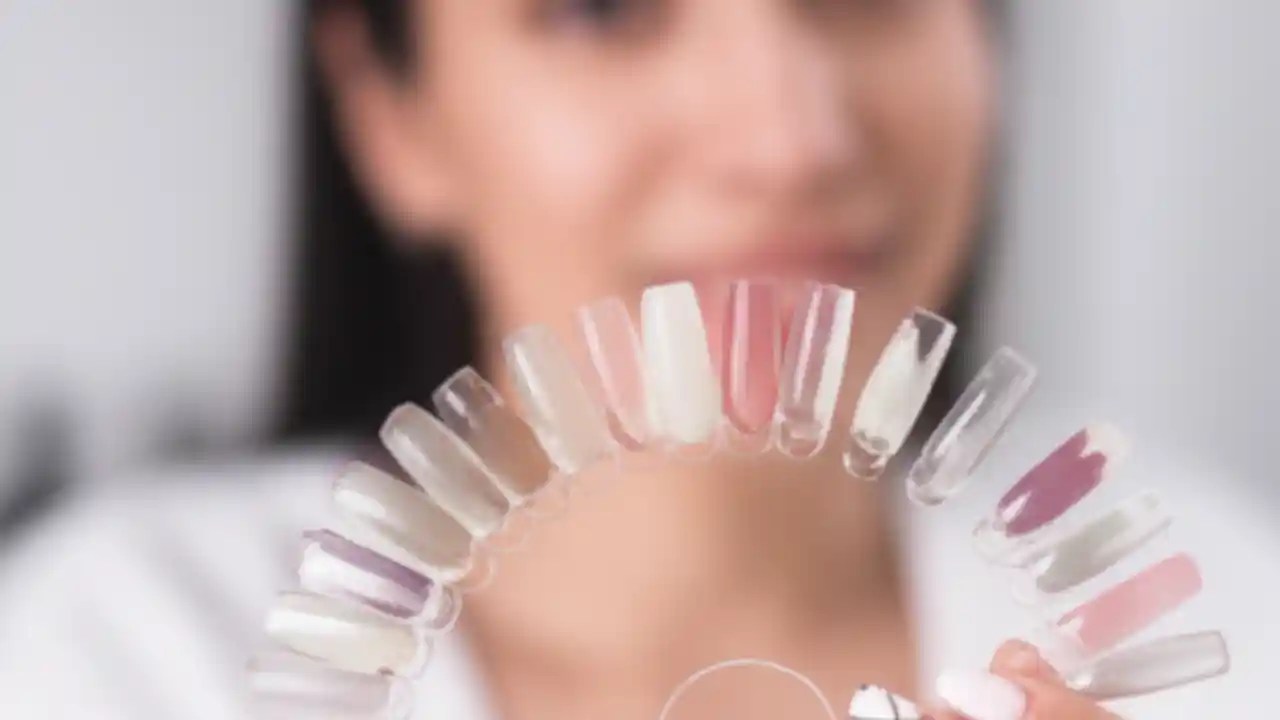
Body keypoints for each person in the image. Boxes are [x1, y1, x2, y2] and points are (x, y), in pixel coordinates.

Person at [0, 1, 1275, 718]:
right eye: (602, 12)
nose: (787, 135)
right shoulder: (111, 660)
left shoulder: (1236, 626)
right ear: (387, 109)